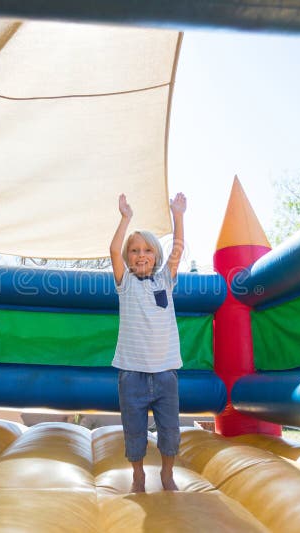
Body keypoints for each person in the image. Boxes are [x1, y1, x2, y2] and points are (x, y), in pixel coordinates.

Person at [109, 191, 186, 493]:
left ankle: (167, 475)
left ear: (156, 256)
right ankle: (138, 475)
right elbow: (113, 249)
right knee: (135, 432)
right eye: (135, 251)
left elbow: (177, 250)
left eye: (147, 251)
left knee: (170, 431)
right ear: (128, 259)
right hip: (132, 374)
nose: (141, 255)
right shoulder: (125, 283)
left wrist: (178, 215)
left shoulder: (165, 280)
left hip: (165, 373)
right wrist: (126, 218)